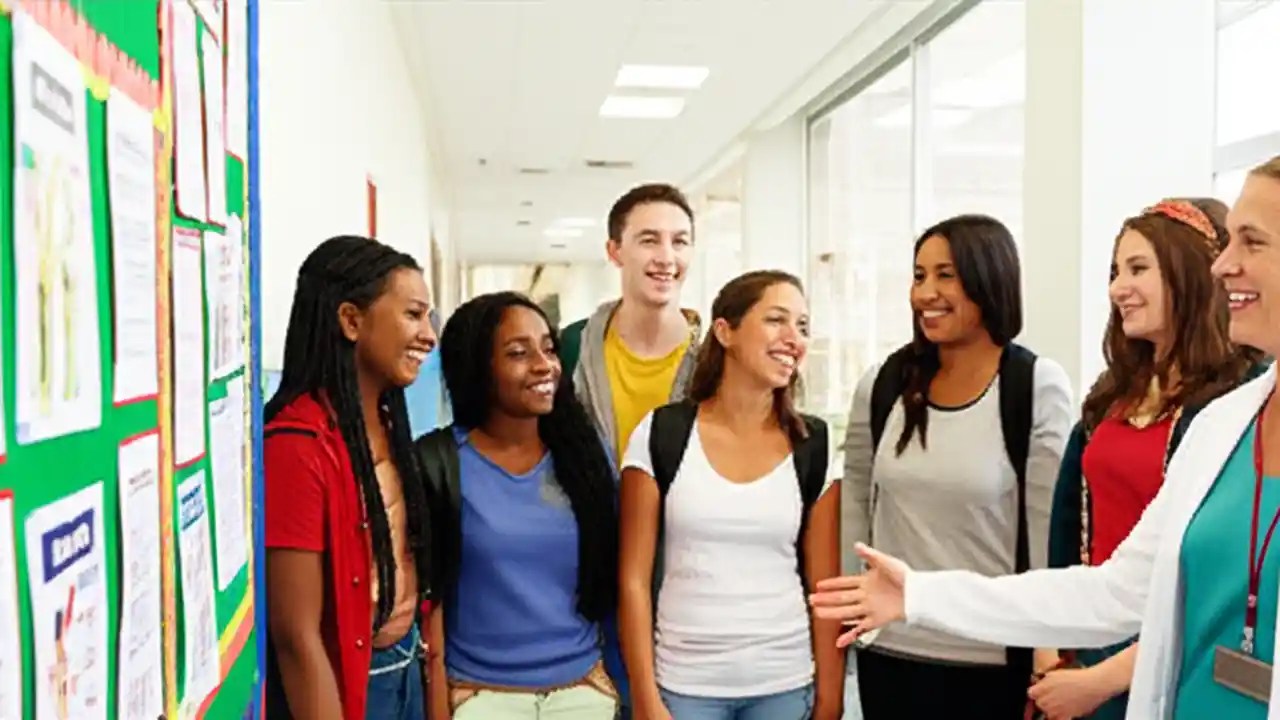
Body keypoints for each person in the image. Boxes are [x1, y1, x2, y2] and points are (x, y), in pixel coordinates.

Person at [809, 155, 1280, 719]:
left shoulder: (1042, 386)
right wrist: (919, 595)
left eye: (1251, 243)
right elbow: (1114, 591)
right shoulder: (1222, 426)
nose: (1223, 266)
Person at [1033, 198, 1263, 719]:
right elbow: (1068, 532)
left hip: (1171, 658)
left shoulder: (1241, 399)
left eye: (1138, 269)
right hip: (1087, 644)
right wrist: (1050, 649)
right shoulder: (1109, 397)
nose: (1117, 288)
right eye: (1115, 271)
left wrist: (1101, 681)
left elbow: (1209, 578)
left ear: (1190, 276)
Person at [839, 214, 1073, 718]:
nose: (926, 292)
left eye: (946, 275)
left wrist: (1046, 648)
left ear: (988, 278)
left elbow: (1046, 526)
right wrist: (851, 618)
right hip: (890, 650)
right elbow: (856, 502)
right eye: (919, 275)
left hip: (992, 656)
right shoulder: (883, 384)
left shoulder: (1034, 386)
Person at [618, 270, 845, 720]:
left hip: (783, 684)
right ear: (725, 331)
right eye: (776, 320)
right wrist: (644, 698)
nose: (793, 338)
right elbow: (633, 581)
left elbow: (825, 590)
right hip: (684, 686)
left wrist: (831, 699)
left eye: (802, 326)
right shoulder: (662, 433)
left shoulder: (814, 444)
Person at [419, 291, 621, 720]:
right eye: (517, 352)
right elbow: (430, 605)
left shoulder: (586, 459)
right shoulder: (439, 463)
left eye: (548, 349)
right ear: (478, 367)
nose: (544, 364)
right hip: (480, 696)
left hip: (582, 692)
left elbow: (614, 581)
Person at [264, 235, 438, 720]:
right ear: (351, 320)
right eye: (413, 314)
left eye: (428, 317)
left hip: (407, 663)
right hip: (356, 685)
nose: (429, 335)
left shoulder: (388, 422)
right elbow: (296, 636)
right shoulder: (297, 446)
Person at [559, 182, 701, 463]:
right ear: (615, 251)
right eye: (649, 240)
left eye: (680, 242)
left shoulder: (713, 359)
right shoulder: (572, 346)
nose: (666, 257)